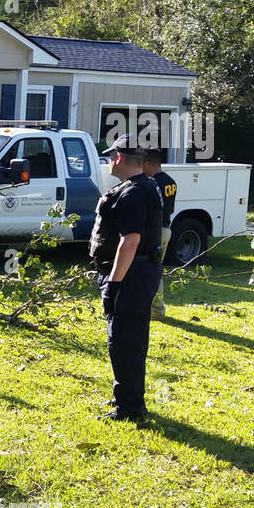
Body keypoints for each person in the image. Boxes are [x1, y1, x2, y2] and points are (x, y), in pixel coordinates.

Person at [89, 134, 164, 423]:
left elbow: (130, 241)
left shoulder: (134, 193)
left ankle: (130, 409)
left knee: (125, 339)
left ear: (119, 158)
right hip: (136, 273)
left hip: (130, 275)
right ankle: (127, 397)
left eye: (110, 157)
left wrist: (115, 284)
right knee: (124, 338)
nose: (108, 161)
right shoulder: (143, 187)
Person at [143, 147, 177, 319]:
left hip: (154, 231)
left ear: (149, 163)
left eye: (143, 163)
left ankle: (155, 309)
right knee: (156, 270)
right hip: (166, 229)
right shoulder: (171, 182)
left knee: (150, 271)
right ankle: (156, 308)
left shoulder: (152, 183)